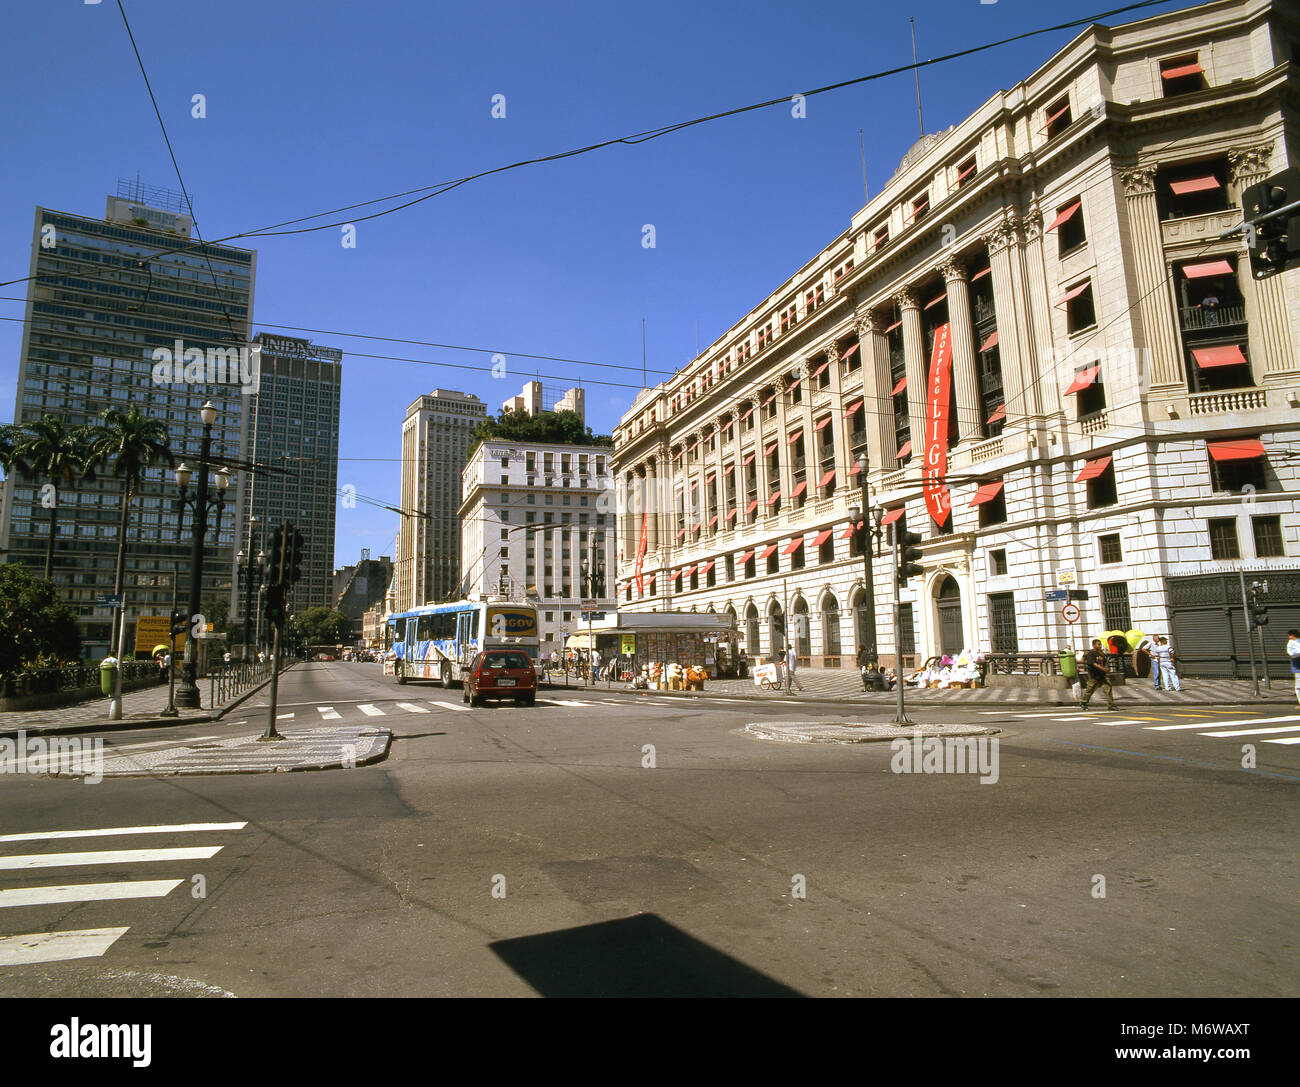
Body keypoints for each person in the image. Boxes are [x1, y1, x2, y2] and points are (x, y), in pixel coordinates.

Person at [1078, 638, 1116, 710]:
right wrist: (1103, 669)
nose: (1100, 646)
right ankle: (1083, 702)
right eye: (1098, 644)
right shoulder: (1091, 654)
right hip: (1094, 675)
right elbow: (1093, 664)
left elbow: (1104, 661)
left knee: (1108, 688)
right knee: (1090, 689)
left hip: (1102, 675)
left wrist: (1103, 655)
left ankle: (1111, 704)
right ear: (1094, 645)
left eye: (1100, 644)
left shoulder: (1100, 653)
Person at [1287, 630, 1300, 707]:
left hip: (1298, 668)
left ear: (1292, 635)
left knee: (1298, 688)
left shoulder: (1292, 643)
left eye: (1289, 635)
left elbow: (1291, 653)